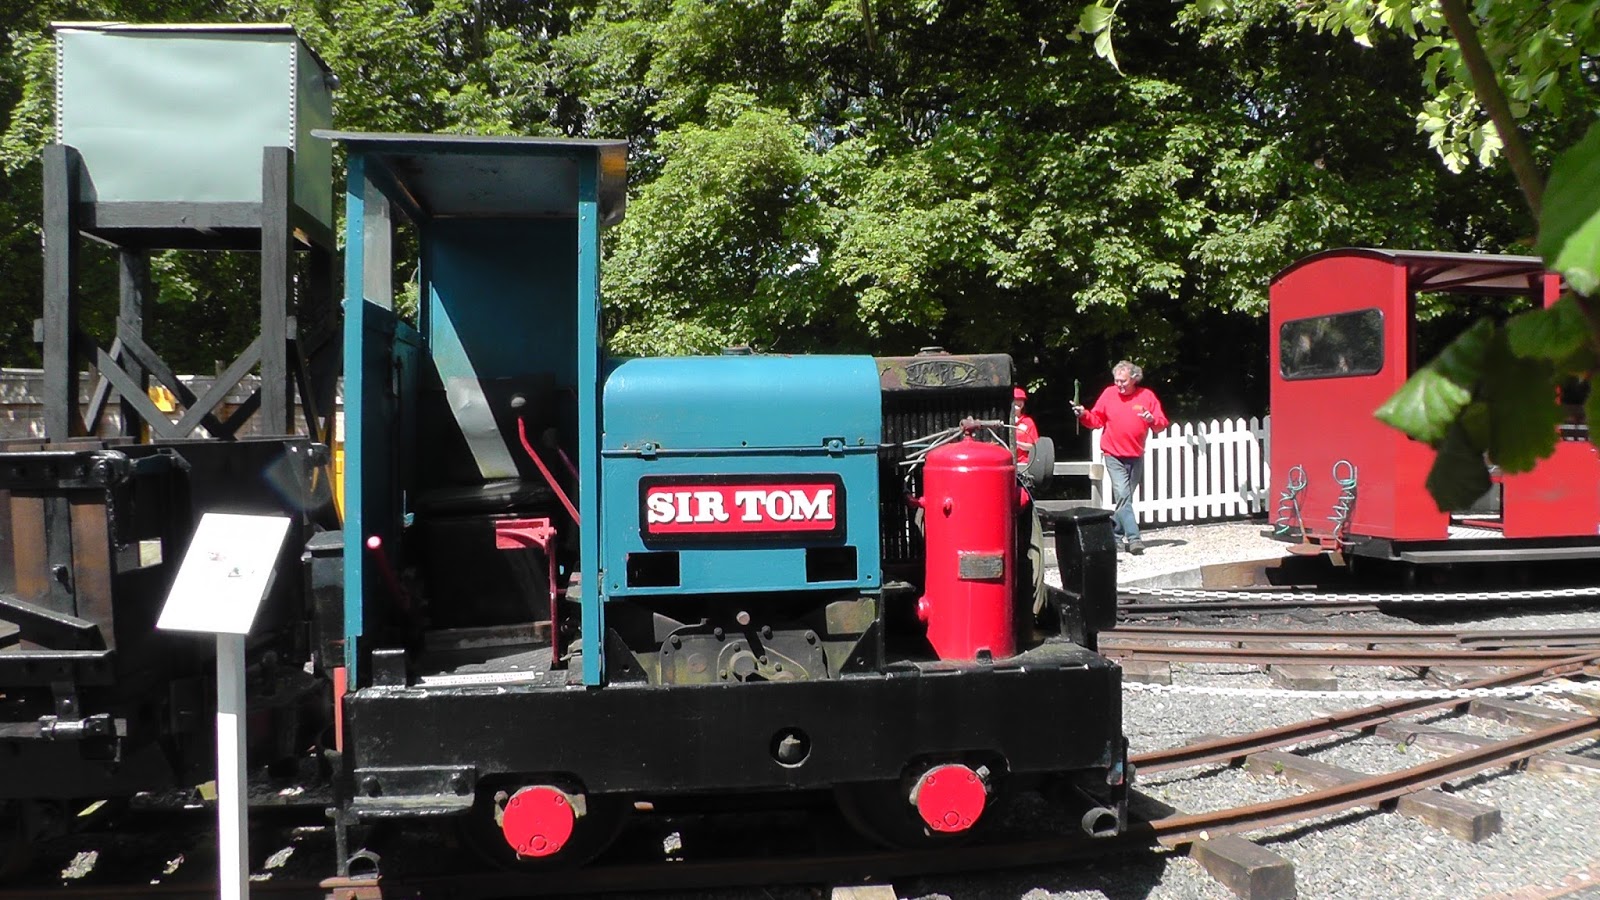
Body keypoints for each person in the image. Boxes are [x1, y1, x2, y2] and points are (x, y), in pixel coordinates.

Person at [1071, 360, 1168, 555]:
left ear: (1134, 379)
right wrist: (1083, 414)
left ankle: (1115, 535)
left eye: (1123, 381)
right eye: (1117, 381)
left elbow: (1161, 424)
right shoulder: (1108, 394)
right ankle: (1134, 538)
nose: (1119, 385)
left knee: (1125, 500)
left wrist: (1152, 419)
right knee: (1123, 495)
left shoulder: (1146, 396)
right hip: (1112, 453)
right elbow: (1096, 420)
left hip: (1135, 455)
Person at [1012, 387, 1039, 466]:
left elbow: (1033, 446)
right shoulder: (1002, 421)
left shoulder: (1028, 422)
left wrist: (1017, 444)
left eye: (1021, 399)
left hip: (1022, 463)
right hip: (1005, 462)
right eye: (1016, 399)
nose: (1019, 402)